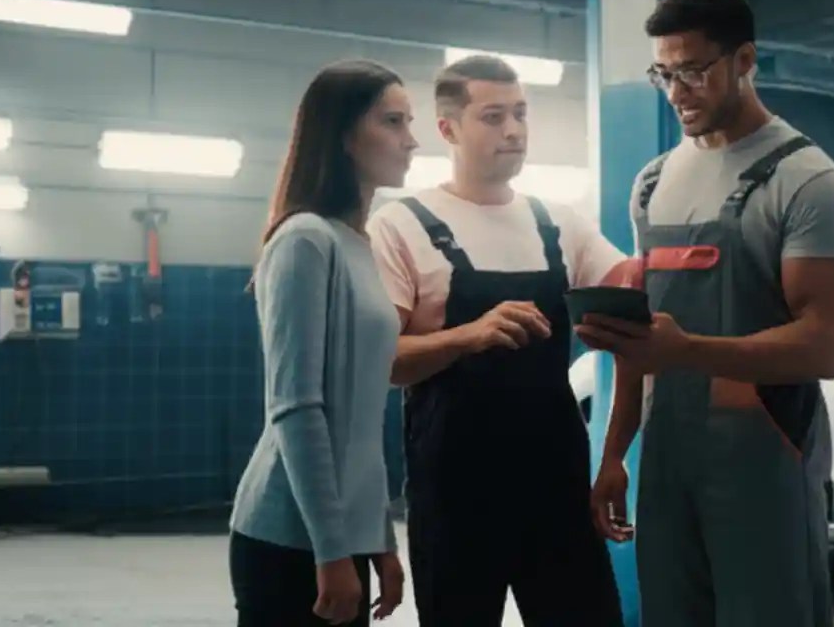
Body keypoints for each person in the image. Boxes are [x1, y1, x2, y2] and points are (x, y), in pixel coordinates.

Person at [577, 0, 834, 627]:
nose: (677, 92)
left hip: (766, 460)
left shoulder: (809, 182)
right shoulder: (652, 183)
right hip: (669, 461)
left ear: (744, 61)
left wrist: (687, 350)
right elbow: (641, 339)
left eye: (693, 71)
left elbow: (826, 347)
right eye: (663, 74)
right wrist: (616, 451)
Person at [367, 55, 628, 627]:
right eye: (493, 117)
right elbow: (379, 364)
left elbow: (633, 321)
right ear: (448, 129)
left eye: (520, 114)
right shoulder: (400, 225)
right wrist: (469, 335)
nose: (513, 130)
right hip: (455, 492)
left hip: (556, 488)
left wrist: (612, 453)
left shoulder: (560, 223)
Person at [229, 60, 416, 627]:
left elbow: (361, 423)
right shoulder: (305, 240)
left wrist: (379, 538)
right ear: (343, 136)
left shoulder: (359, 244)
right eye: (392, 122)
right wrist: (332, 551)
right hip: (290, 537)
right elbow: (296, 407)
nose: (410, 140)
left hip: (339, 538)